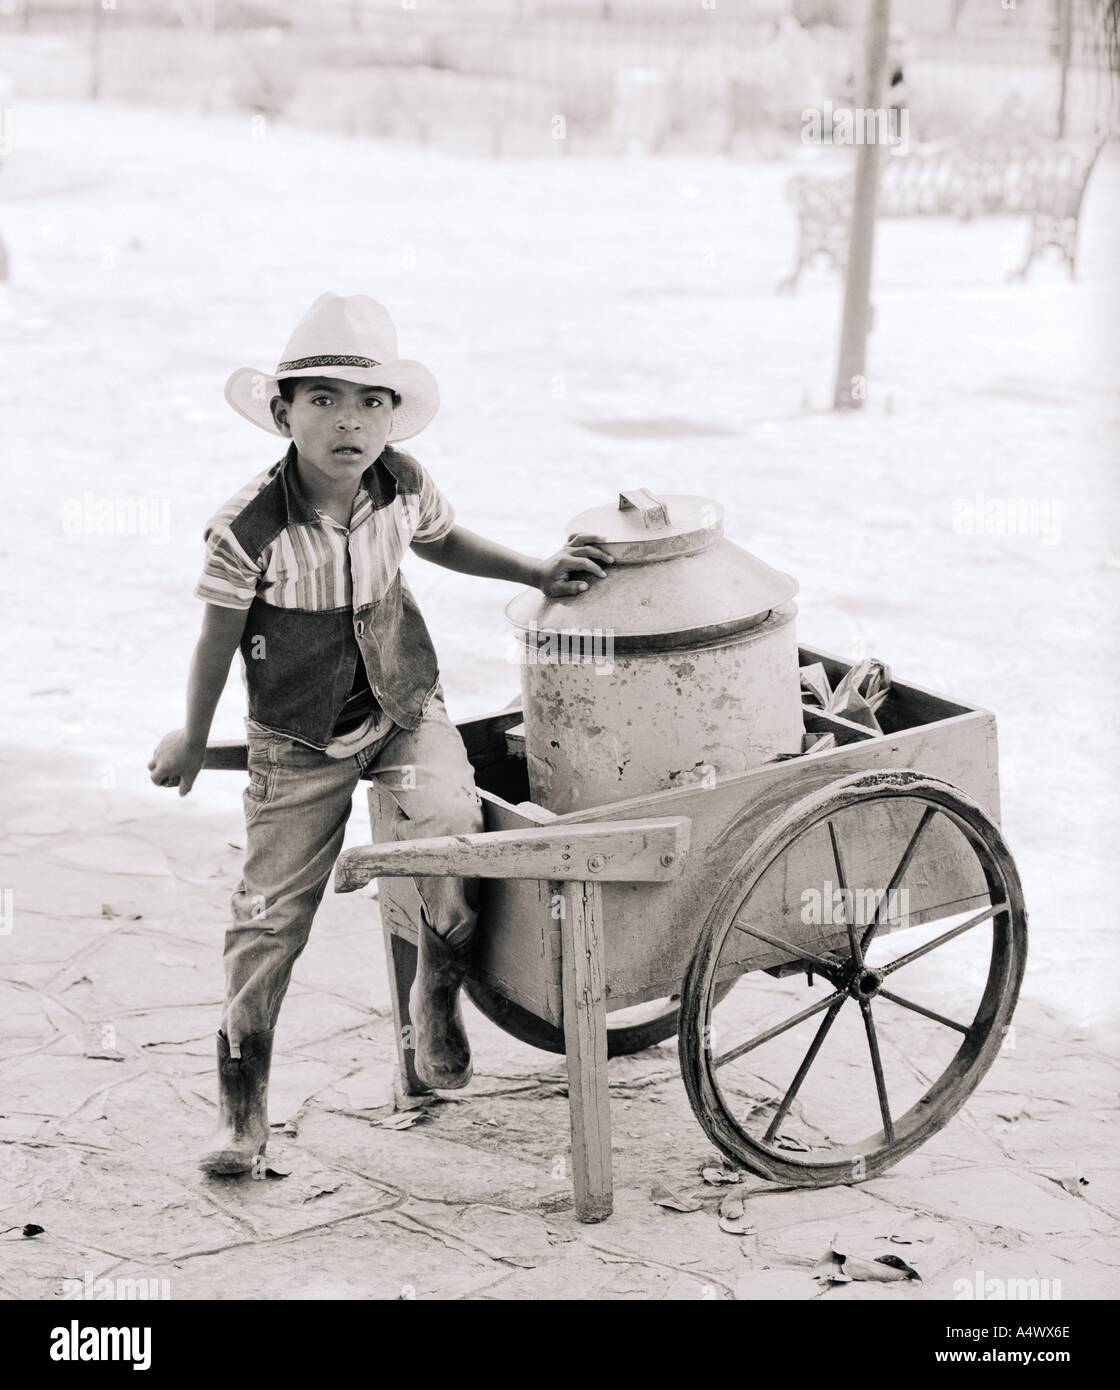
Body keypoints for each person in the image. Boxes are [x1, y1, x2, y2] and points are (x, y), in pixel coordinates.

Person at [147, 292, 614, 1176]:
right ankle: (241, 1106)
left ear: (393, 418)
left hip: (402, 710)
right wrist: (190, 734)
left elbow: (444, 542)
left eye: (369, 402)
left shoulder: (401, 484)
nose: (348, 422)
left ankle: (438, 994)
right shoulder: (247, 528)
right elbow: (215, 640)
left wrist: (535, 568)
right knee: (267, 918)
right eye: (322, 400)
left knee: (448, 831)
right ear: (283, 415)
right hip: (297, 742)